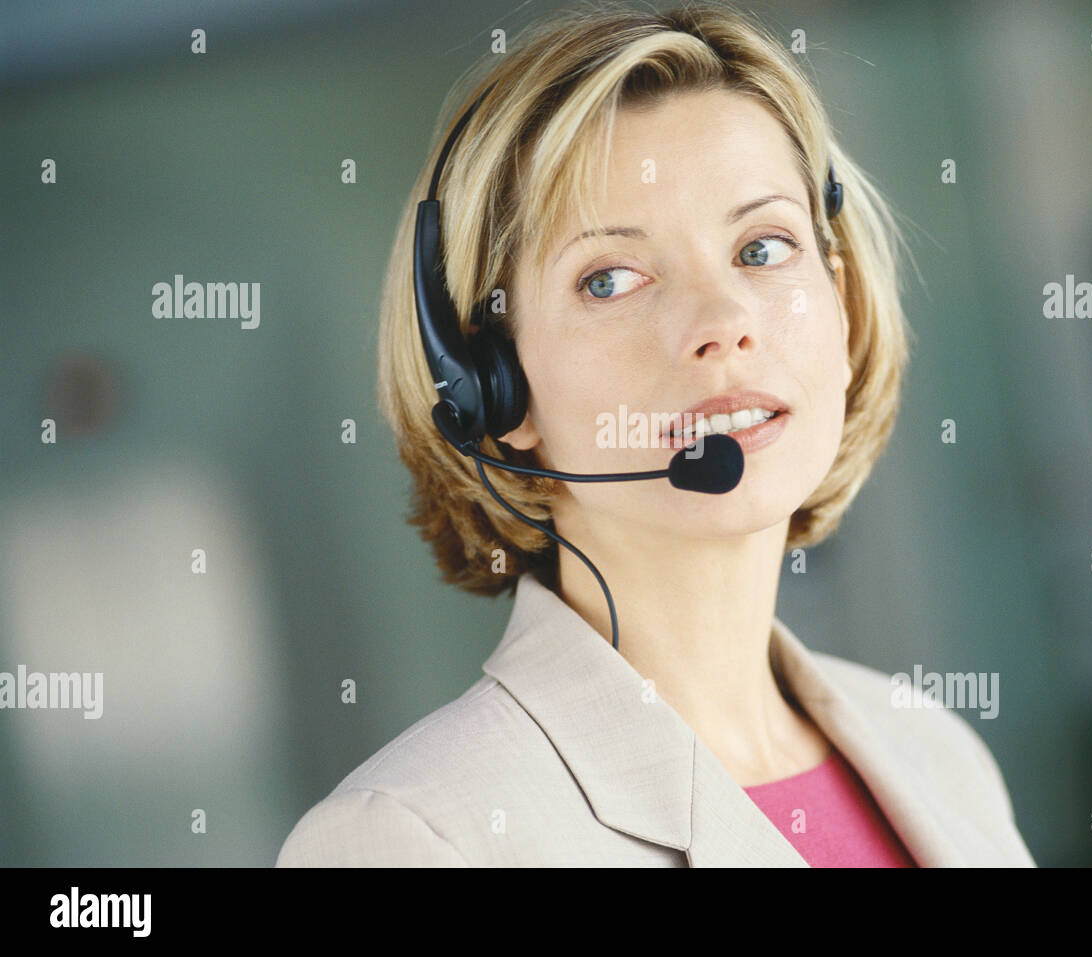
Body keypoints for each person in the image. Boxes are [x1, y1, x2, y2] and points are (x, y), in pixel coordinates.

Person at [277, 0, 1034, 867]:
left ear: (844, 300)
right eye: (610, 278)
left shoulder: (937, 753)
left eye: (762, 247)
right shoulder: (414, 836)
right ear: (490, 380)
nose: (723, 321)